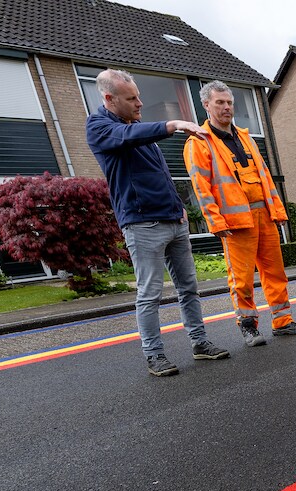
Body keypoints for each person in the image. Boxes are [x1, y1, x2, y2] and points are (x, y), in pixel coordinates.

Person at [85, 69, 229, 377]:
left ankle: (200, 342)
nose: (140, 103)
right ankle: (154, 355)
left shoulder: (137, 125)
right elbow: (126, 138)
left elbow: (160, 175)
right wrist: (174, 123)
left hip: (173, 219)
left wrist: (180, 208)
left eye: (138, 96)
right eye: (132, 98)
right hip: (142, 223)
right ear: (109, 99)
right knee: (149, 293)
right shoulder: (99, 127)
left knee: (188, 287)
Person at [184, 81, 296, 347]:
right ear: (206, 105)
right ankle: (248, 326)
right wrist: (216, 222)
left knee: (275, 272)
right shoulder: (199, 143)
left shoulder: (245, 136)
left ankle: (283, 321)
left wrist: (277, 210)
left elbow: (265, 178)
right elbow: (201, 188)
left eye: (229, 102)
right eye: (220, 103)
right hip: (235, 223)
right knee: (241, 280)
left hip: (263, 216)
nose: (227, 107)